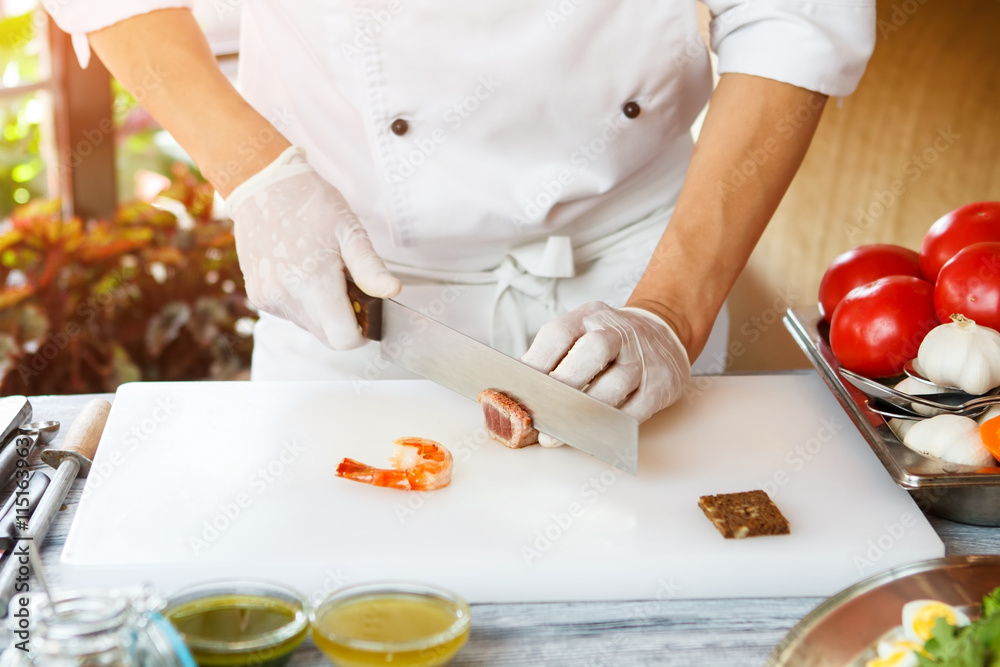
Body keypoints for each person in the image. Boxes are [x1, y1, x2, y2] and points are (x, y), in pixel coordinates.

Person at [47, 1, 874, 435]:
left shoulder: (659, 304)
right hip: (352, 288)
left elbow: (795, 19)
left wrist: (669, 312)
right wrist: (257, 175)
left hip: (641, 271)